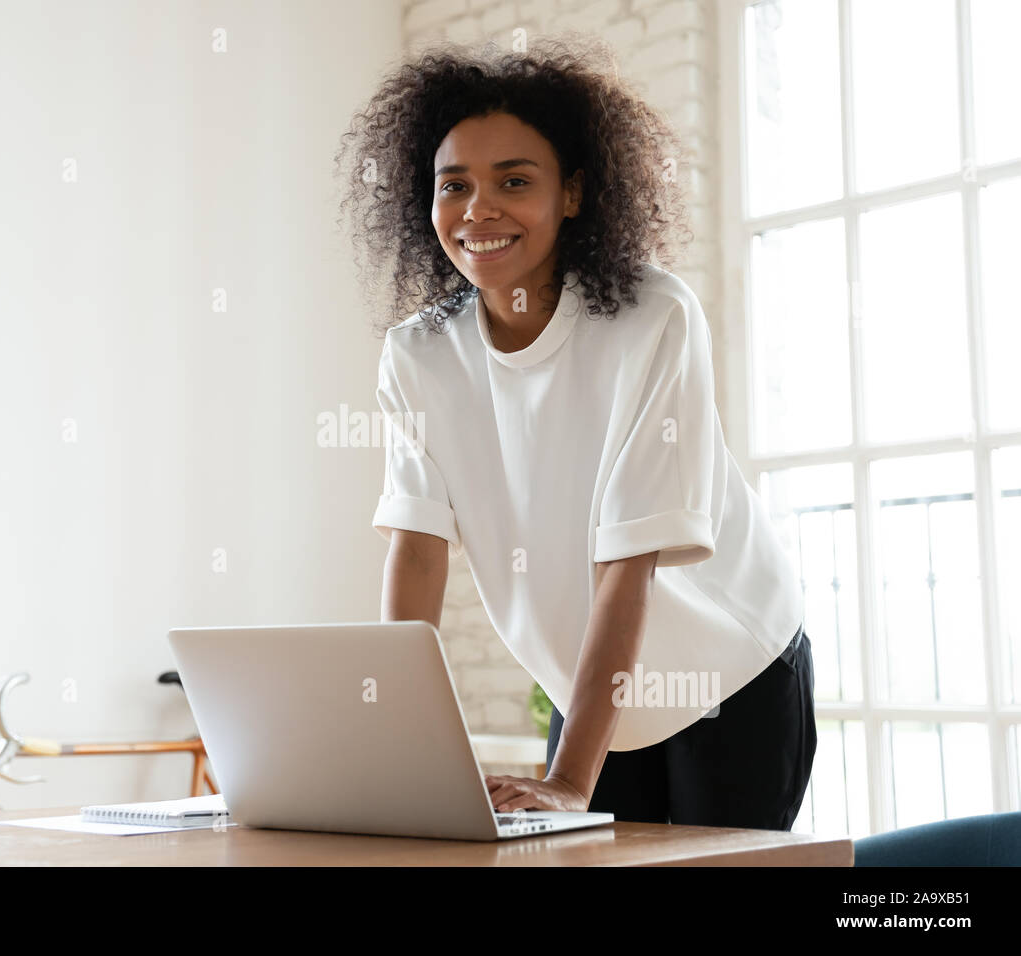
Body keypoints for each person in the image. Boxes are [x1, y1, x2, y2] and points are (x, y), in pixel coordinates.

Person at [335, 35, 816, 830]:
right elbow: (418, 549)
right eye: (453, 185)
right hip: (589, 687)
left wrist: (568, 779)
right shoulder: (418, 355)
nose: (478, 209)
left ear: (573, 193)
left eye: (513, 181)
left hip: (730, 674)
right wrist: (396, 751)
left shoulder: (650, 320)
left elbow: (627, 564)